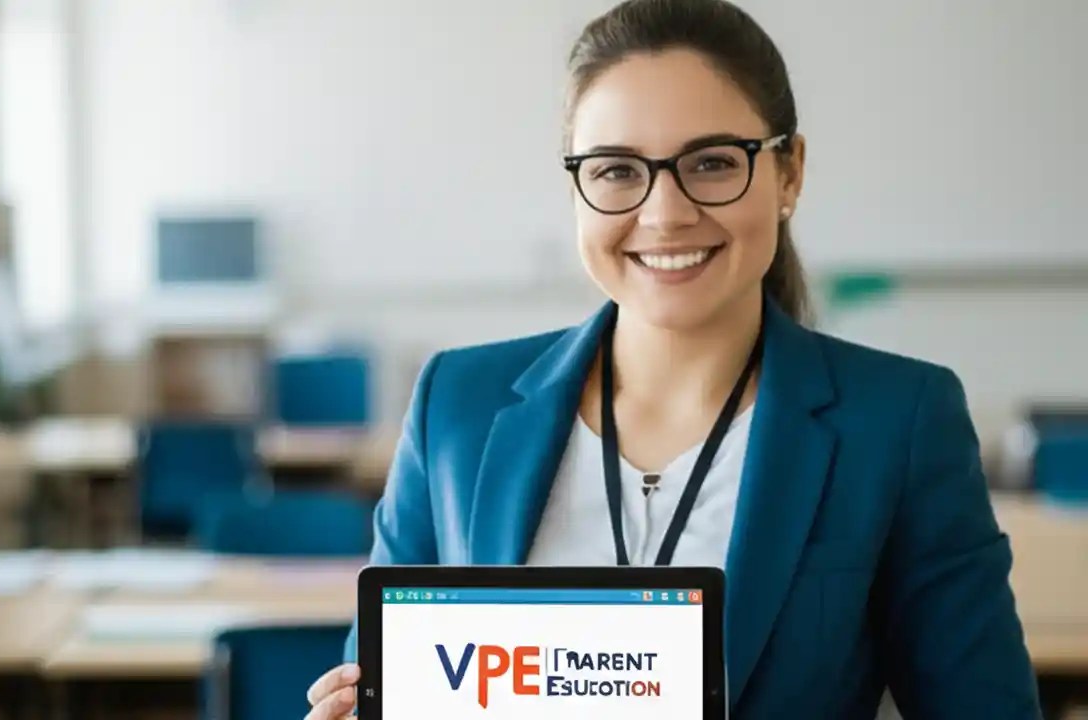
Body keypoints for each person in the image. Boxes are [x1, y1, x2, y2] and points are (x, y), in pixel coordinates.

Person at [305, 0, 1040, 717]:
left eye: (713, 162)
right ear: (577, 189)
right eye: (618, 170)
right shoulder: (456, 407)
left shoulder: (899, 422)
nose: (665, 213)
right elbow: (383, 686)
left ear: (789, 174)